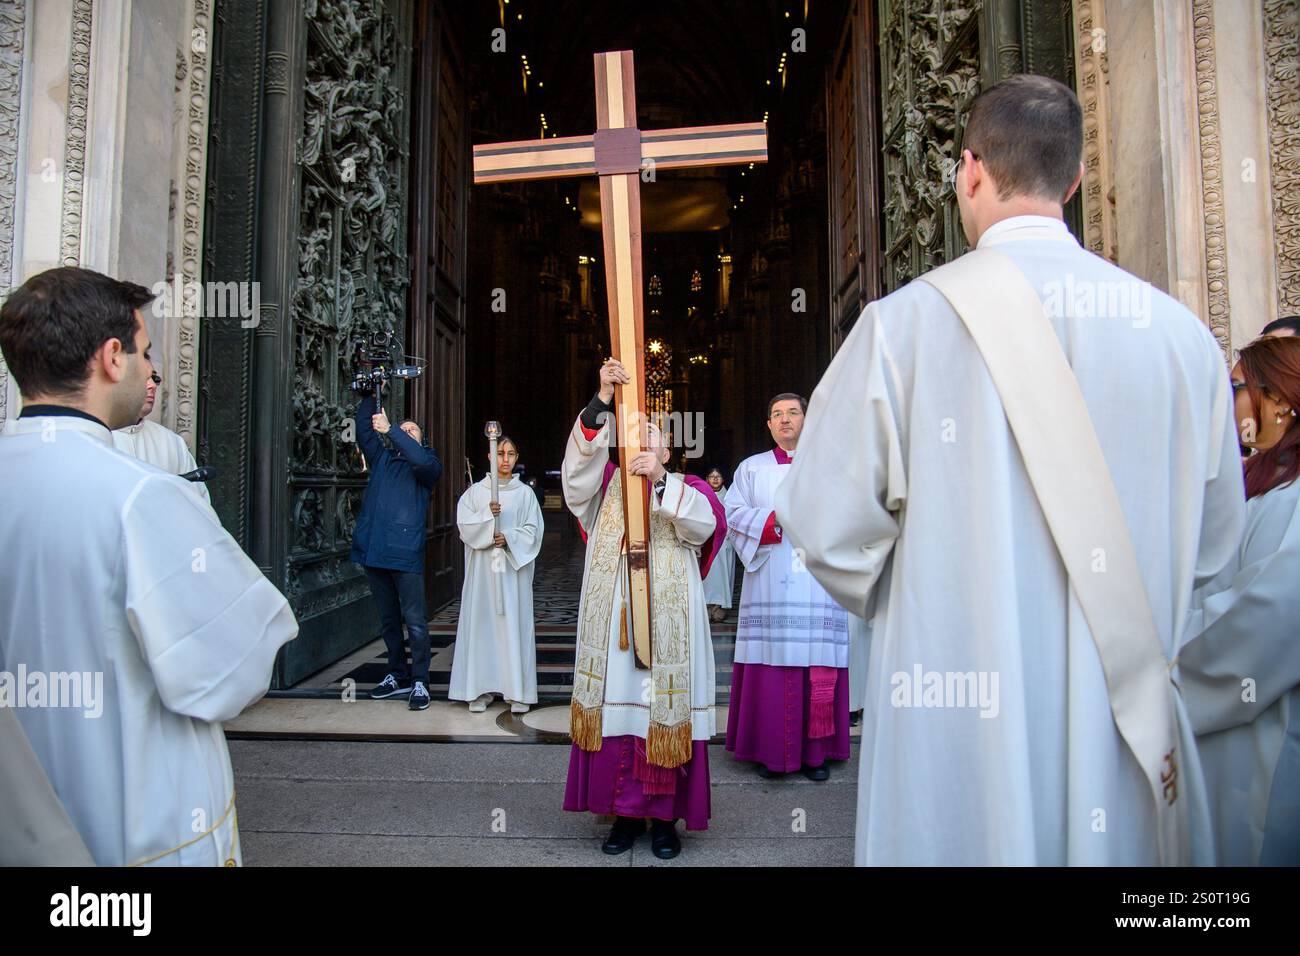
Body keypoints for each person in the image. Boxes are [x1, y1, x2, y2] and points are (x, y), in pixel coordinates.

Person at [776, 74, 1245, 865]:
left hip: (953, 730)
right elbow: (1215, 556)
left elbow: (826, 529)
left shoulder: (899, 330)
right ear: (1076, 180)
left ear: (968, 170)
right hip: (1118, 728)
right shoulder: (1182, 340)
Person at [0, 266, 298, 865]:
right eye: (144, 350)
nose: (148, 368)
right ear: (111, 358)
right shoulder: (141, 495)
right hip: (135, 817)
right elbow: (235, 664)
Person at [561, 359, 726, 859]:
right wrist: (602, 400)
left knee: (662, 712)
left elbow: (704, 527)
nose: (644, 442)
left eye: (653, 436)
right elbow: (573, 480)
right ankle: (624, 817)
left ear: (668, 450)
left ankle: (663, 822)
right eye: (636, 435)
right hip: (615, 631)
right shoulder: (604, 487)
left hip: (669, 630)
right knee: (622, 718)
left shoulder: (688, 489)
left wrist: (659, 482)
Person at [1178, 336, 1300, 865]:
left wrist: (1160, 661)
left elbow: (1262, 621)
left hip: (1268, 747)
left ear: (1277, 399)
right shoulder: (1268, 489)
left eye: (1236, 387)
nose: (1229, 404)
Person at [724, 393, 851, 781]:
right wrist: (775, 518)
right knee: (774, 660)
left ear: (806, 418)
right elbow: (732, 512)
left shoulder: (830, 465)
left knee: (817, 661)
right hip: (772, 582)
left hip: (817, 581)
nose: (784, 420)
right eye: (776, 414)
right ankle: (772, 753)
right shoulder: (752, 469)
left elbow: (851, 512)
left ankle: (816, 754)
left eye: (792, 412)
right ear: (768, 425)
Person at [353, 390, 443, 710]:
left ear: (422, 438)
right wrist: (369, 396)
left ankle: (420, 680)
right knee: (389, 620)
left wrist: (392, 429)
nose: (406, 432)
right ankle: (396, 674)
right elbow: (364, 430)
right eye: (401, 429)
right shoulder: (383, 459)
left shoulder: (428, 463)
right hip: (373, 550)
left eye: (412, 430)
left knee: (415, 622)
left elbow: (417, 457)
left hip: (404, 553)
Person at [450, 435, 543, 714]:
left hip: (512, 575)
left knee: (513, 626)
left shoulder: (525, 493)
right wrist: (486, 519)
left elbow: (533, 531)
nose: (506, 459)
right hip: (482, 576)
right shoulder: (476, 493)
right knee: (481, 627)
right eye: (500, 453)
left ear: (516, 458)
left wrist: (509, 538)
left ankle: (517, 691)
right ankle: (479, 689)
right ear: (490, 456)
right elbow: (465, 527)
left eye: (511, 454)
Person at [113, 370, 211, 503]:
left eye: (154, 378)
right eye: (143, 378)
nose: (152, 385)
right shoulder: (91, 438)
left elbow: (199, 505)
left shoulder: (172, 442)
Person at [701, 467, 737, 623]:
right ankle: (707, 607)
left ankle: (719, 608)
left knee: (723, 576)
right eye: (711, 476)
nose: (715, 479)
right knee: (707, 577)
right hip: (707, 541)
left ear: (723, 479)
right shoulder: (701, 496)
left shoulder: (731, 497)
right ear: (707, 479)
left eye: (718, 476)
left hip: (725, 542)